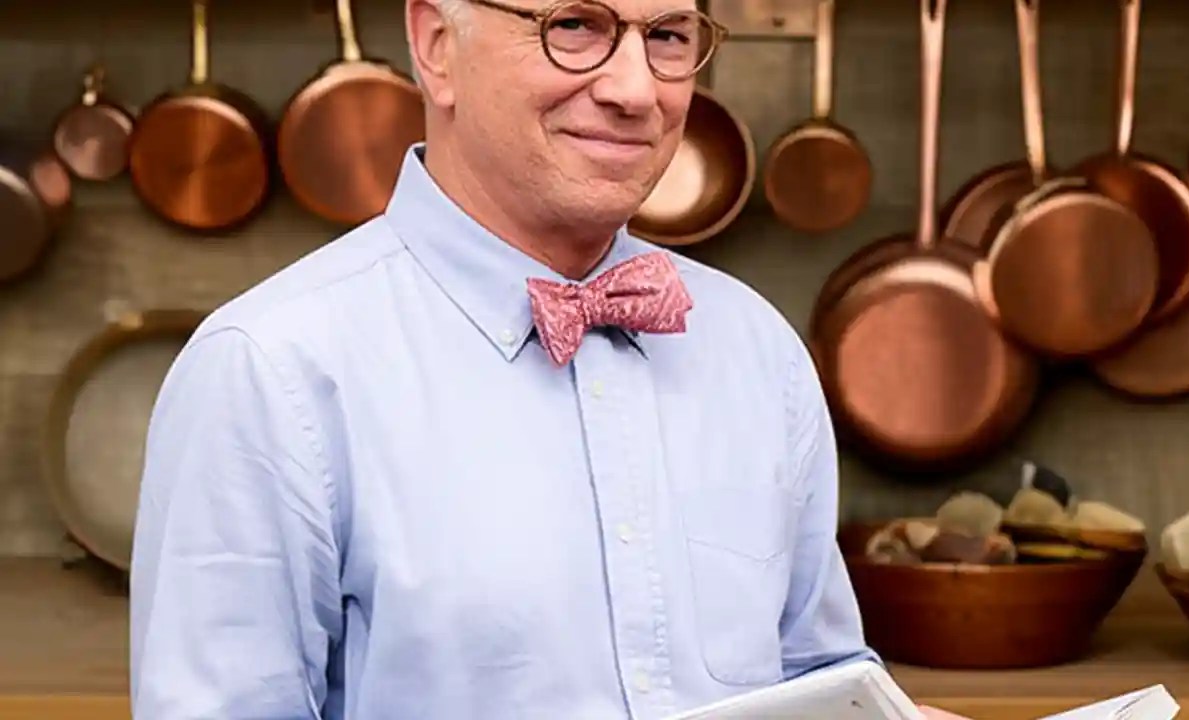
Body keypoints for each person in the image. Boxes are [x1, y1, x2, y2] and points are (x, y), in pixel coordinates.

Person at [128, 0, 970, 718]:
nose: (635, 90)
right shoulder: (267, 373)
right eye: (574, 24)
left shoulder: (758, 351)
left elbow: (822, 685)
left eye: (669, 36)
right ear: (435, 45)